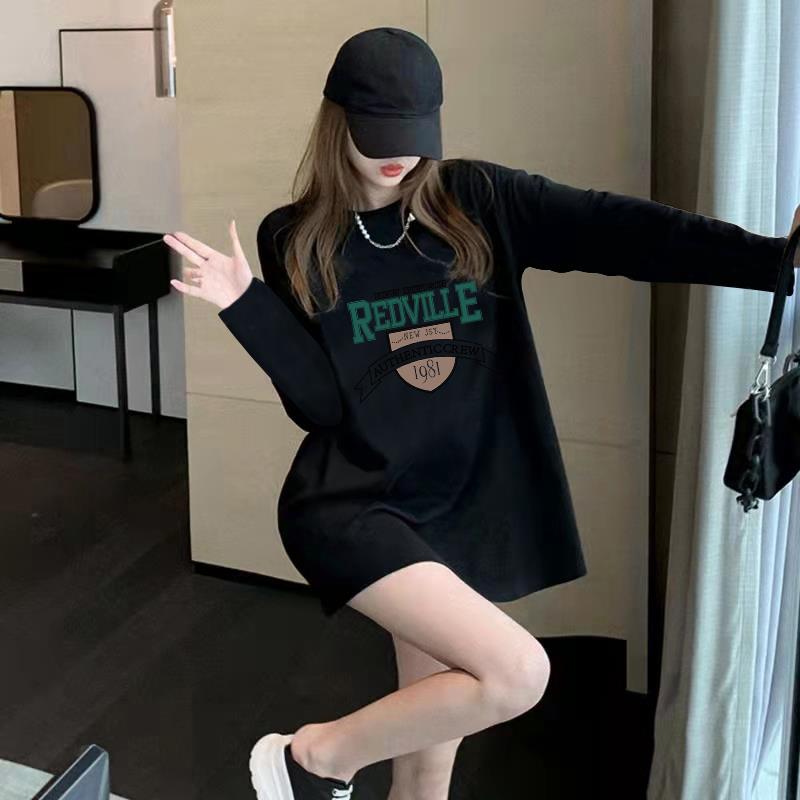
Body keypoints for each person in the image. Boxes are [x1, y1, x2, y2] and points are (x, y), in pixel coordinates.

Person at [163, 26, 799, 800]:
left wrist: (775, 258)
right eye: (379, 134)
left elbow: (621, 230)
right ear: (338, 121)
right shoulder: (296, 237)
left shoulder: (477, 201)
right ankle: (312, 759)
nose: (400, 156)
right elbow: (321, 405)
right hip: (354, 503)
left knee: (428, 761)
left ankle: (327, 767)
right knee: (517, 672)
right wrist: (247, 306)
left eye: (414, 133)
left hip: (456, 504)